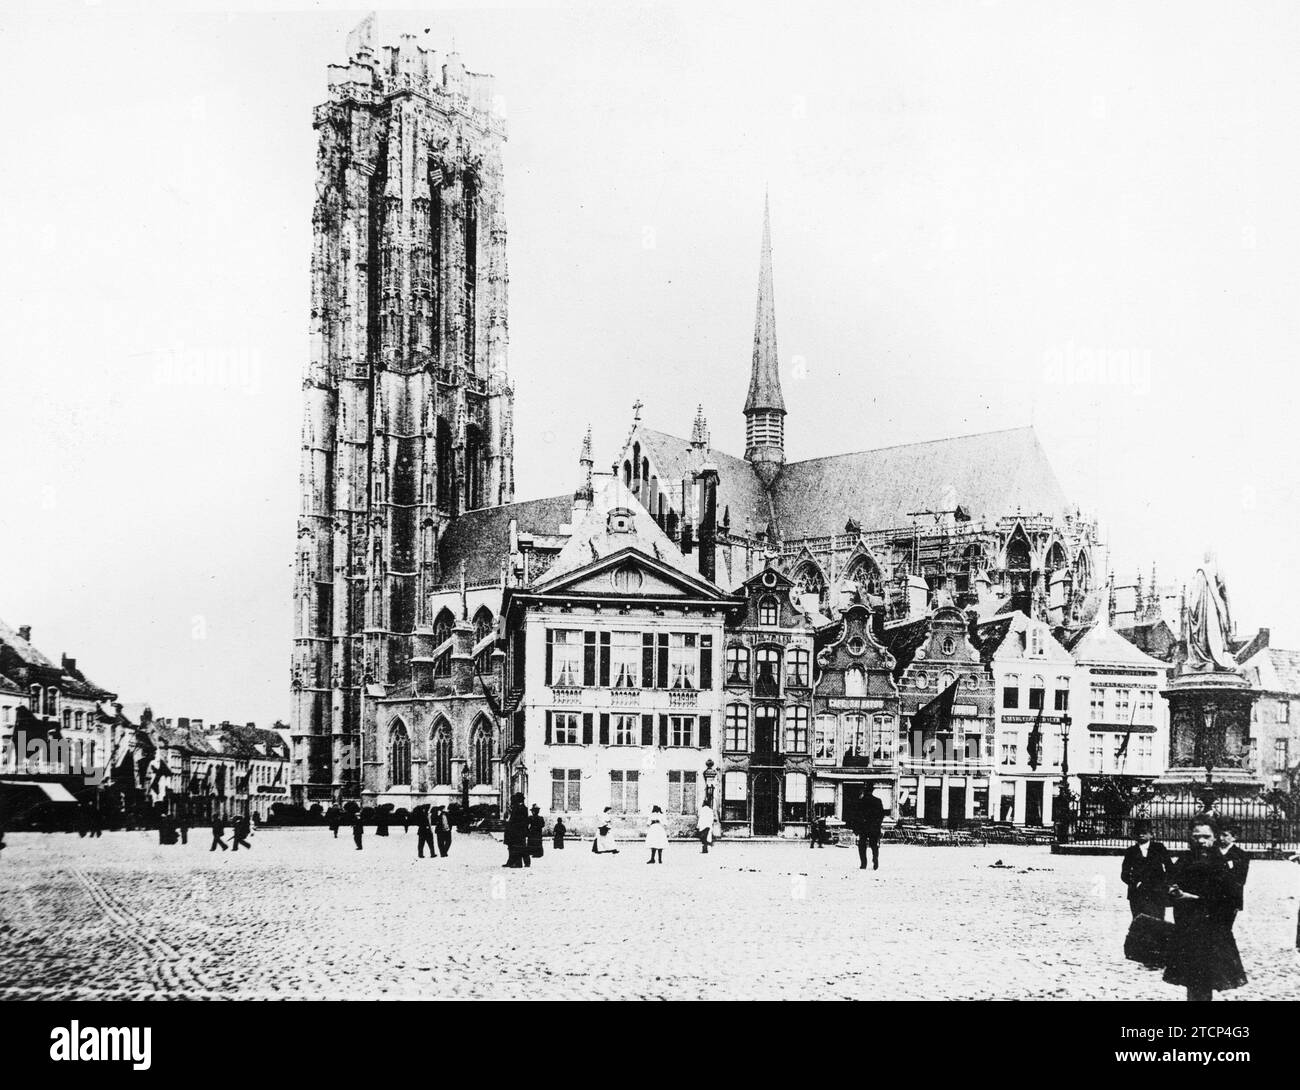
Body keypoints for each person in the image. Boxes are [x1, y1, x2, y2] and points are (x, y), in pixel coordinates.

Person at [1163, 820, 1248, 1001]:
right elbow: (1170, 880)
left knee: (1206, 977)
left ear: (1215, 837)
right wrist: (1172, 890)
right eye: (1196, 837)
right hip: (1188, 926)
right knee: (1191, 977)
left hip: (1212, 928)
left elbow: (1228, 896)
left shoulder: (1220, 861)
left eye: (1206, 837)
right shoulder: (1185, 859)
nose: (1201, 841)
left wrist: (1192, 898)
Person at [1120, 820, 1173, 919]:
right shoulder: (1130, 851)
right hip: (1137, 893)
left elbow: (1170, 868)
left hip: (1157, 892)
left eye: (1144, 832)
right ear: (1133, 835)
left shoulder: (1159, 848)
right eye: (1138, 833)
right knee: (1139, 921)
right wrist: (1135, 883)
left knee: (1158, 921)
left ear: (1151, 835)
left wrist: (1163, 883)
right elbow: (1124, 874)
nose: (1141, 835)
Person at [1215, 822, 1250, 923]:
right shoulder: (1212, 851)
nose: (1221, 838)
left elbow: (1241, 879)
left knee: (1226, 925)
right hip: (1213, 895)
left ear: (1234, 837)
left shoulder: (1241, 855)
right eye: (1219, 834)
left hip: (1230, 897)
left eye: (1225, 835)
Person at [853, 784, 885, 870]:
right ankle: (875, 859)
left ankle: (863, 863)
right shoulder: (878, 801)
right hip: (874, 827)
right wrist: (878, 824)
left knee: (862, 845)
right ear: (872, 791)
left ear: (864, 791)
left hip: (863, 828)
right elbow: (881, 815)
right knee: (874, 845)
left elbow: (856, 816)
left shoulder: (860, 801)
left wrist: (856, 828)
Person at [504, 793, 529, 867]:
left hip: (519, 831)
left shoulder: (522, 808)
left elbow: (521, 820)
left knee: (518, 847)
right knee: (513, 846)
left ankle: (518, 863)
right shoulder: (517, 807)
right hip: (514, 830)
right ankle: (511, 862)